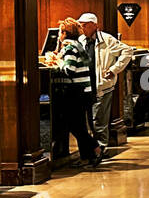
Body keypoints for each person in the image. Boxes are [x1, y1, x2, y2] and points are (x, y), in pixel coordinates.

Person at [51, 18, 103, 169]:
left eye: (61, 32)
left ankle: (96, 149)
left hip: (75, 93)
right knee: (79, 124)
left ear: (66, 33)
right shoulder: (78, 45)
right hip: (83, 91)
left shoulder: (69, 48)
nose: (59, 35)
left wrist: (57, 63)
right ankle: (87, 157)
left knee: (75, 126)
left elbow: (69, 70)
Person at [79, 12, 132, 150]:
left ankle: (101, 148)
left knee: (99, 119)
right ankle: (94, 149)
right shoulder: (81, 40)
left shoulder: (107, 39)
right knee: (89, 120)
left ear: (95, 25)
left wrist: (114, 69)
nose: (82, 28)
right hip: (86, 85)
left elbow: (127, 51)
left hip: (102, 85)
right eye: (81, 25)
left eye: (85, 25)